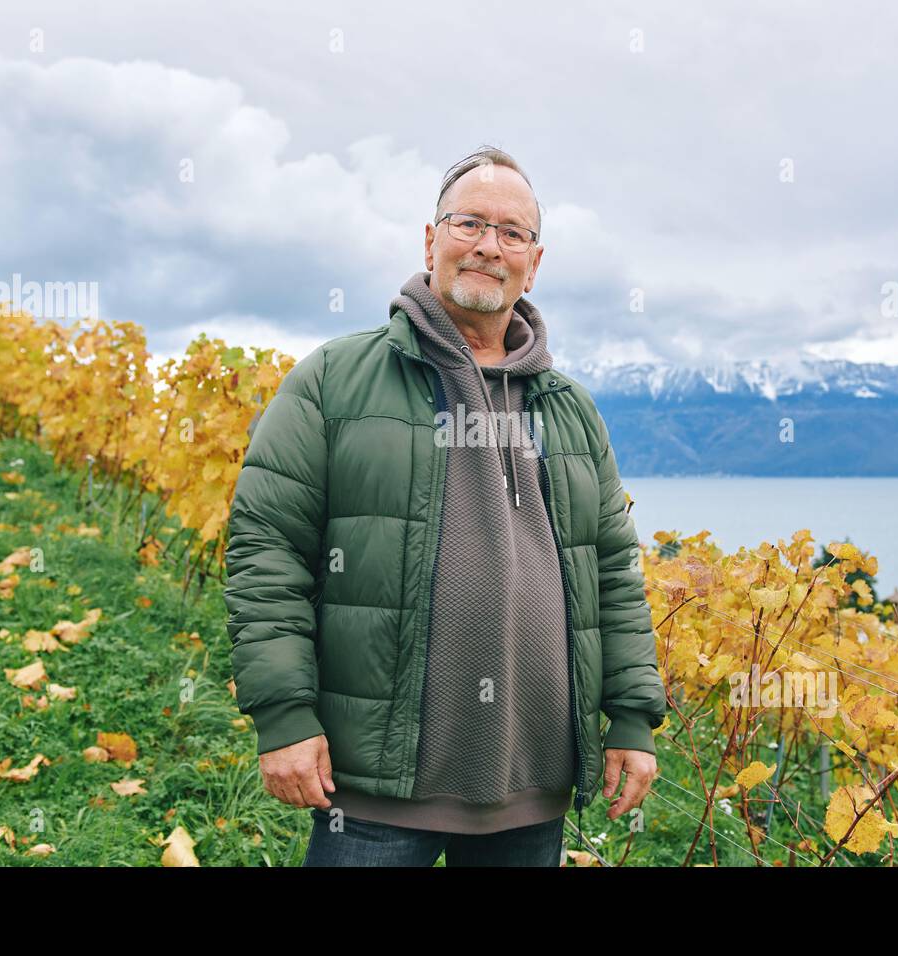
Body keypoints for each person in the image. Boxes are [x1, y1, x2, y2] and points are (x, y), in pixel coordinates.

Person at [224, 145, 666, 866]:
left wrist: (634, 720)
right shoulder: (334, 381)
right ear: (431, 240)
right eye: (469, 223)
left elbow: (614, 573)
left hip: (532, 787)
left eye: (511, 232)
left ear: (535, 260)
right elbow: (265, 551)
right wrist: (284, 715)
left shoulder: (572, 411)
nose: (489, 246)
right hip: (374, 789)